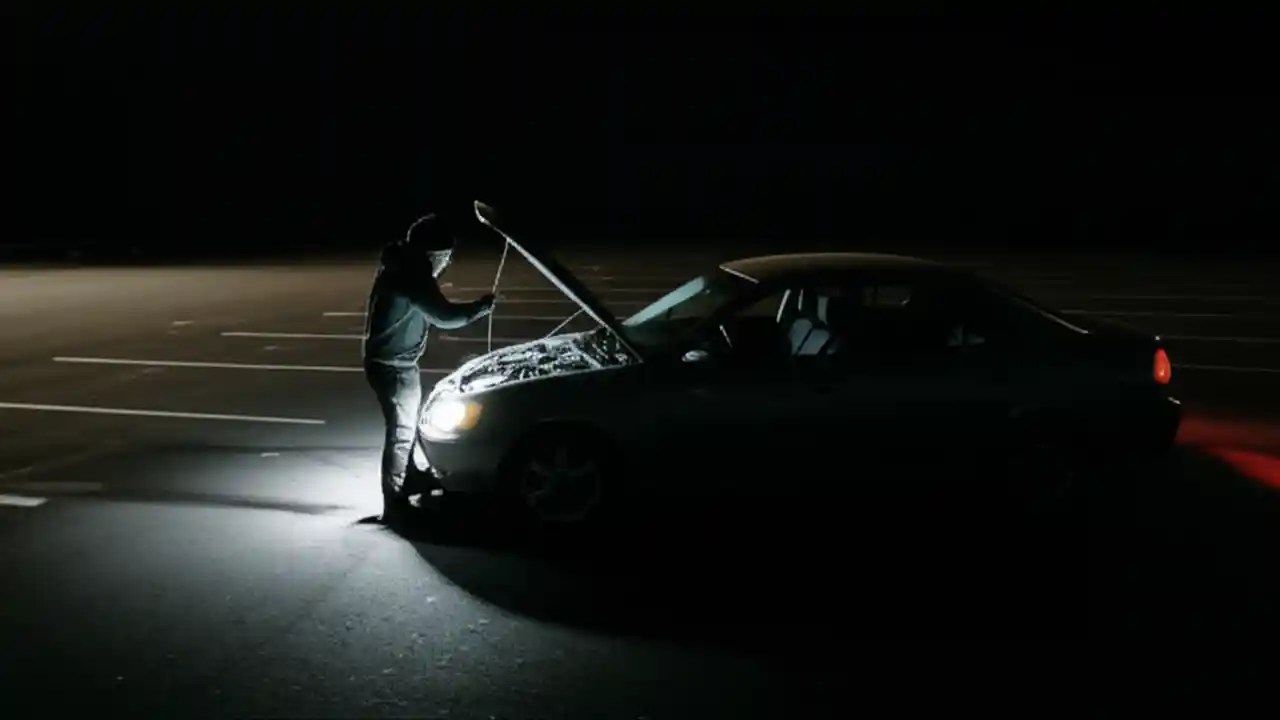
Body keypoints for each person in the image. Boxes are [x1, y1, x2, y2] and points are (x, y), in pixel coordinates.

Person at [363, 211, 495, 524]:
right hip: (393, 366)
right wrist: (480, 307)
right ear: (433, 253)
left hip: (396, 363)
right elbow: (443, 316)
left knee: (405, 427)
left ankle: (409, 477)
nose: (446, 263)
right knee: (401, 432)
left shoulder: (403, 265)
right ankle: (394, 500)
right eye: (445, 256)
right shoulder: (412, 274)